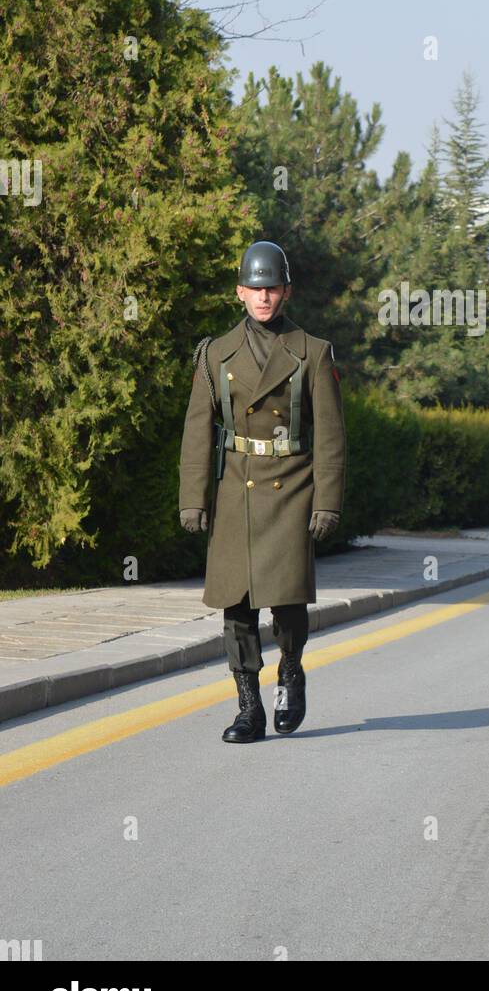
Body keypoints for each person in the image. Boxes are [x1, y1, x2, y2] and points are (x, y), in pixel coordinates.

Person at [178, 241, 346, 742]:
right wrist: (193, 496)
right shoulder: (214, 354)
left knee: (287, 602)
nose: (264, 297)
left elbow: (332, 435)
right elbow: (197, 429)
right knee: (238, 605)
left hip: (292, 485)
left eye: (272, 287)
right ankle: (248, 707)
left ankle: (290, 671)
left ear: (286, 291)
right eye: (255, 288)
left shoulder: (312, 352)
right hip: (235, 489)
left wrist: (327, 501)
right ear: (239, 292)